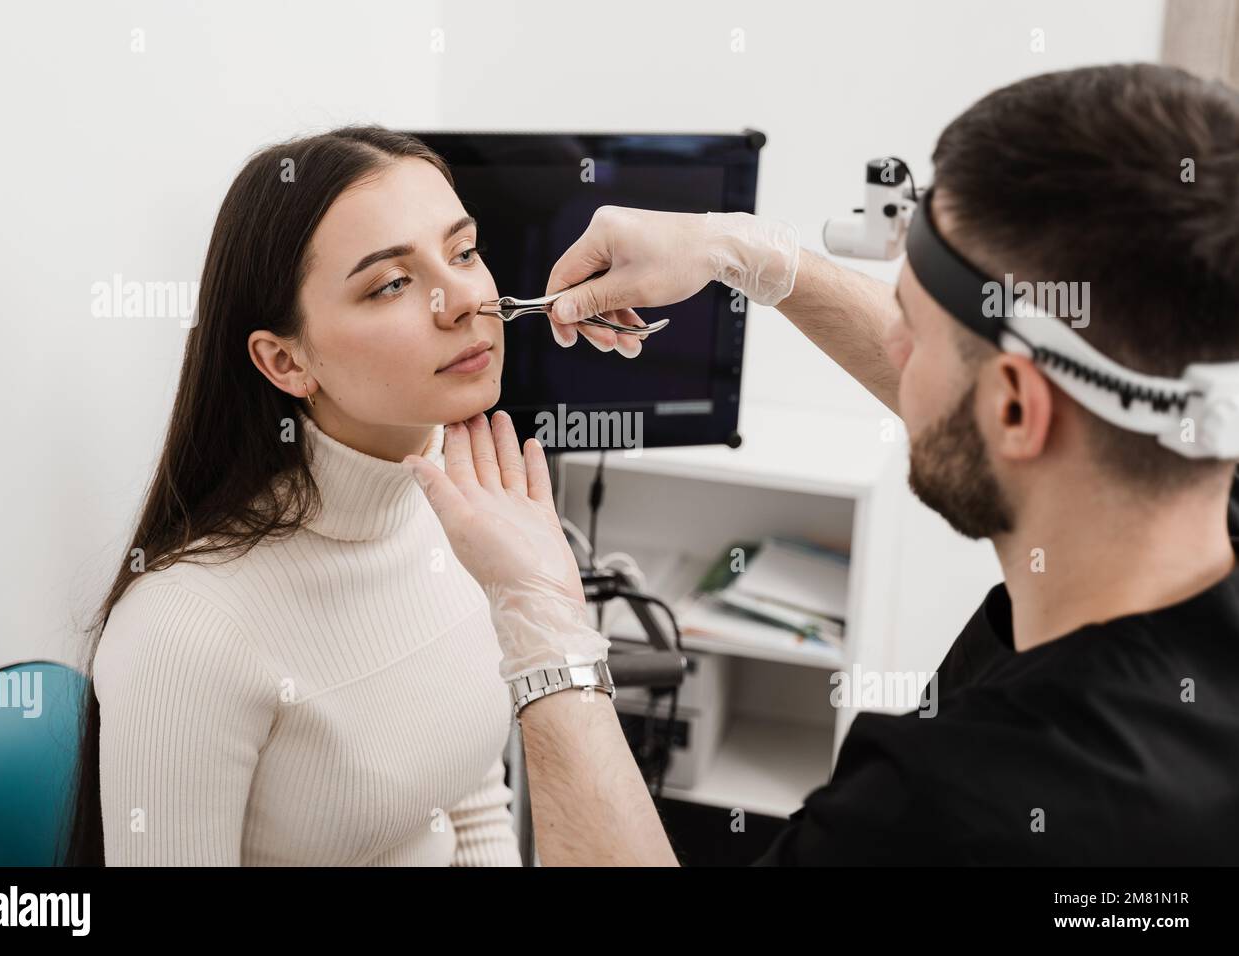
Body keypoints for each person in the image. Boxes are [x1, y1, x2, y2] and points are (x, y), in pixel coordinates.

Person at [403, 63, 1239, 865]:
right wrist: (748, 255)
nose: (892, 349)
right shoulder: (1204, 451)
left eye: (910, 324)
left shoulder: (955, 812)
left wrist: (546, 630)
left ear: (1017, 407)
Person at [69, 126, 645, 865]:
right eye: (391, 284)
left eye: (463, 252)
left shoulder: (467, 521)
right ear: (286, 360)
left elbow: (467, 799)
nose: (464, 299)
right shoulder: (185, 631)